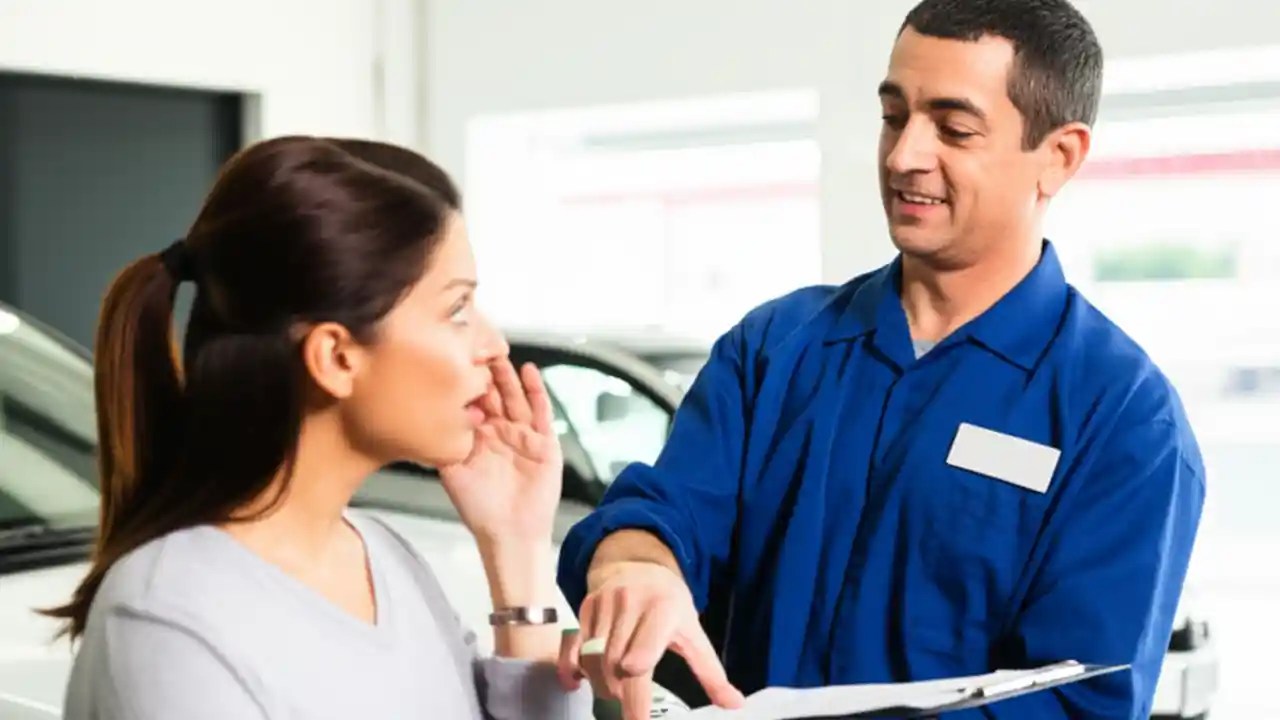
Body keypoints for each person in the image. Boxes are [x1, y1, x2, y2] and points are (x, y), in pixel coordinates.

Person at [555, 1, 1206, 719]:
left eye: (953, 129)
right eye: (894, 117)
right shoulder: (776, 350)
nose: (903, 156)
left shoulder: (1121, 421)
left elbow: (1080, 702)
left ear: (1058, 156)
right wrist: (638, 567)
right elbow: (662, 511)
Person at [46, 135, 592, 719]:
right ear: (335, 358)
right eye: (456, 311)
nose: (493, 345)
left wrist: (517, 546)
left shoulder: (386, 561)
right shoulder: (167, 623)